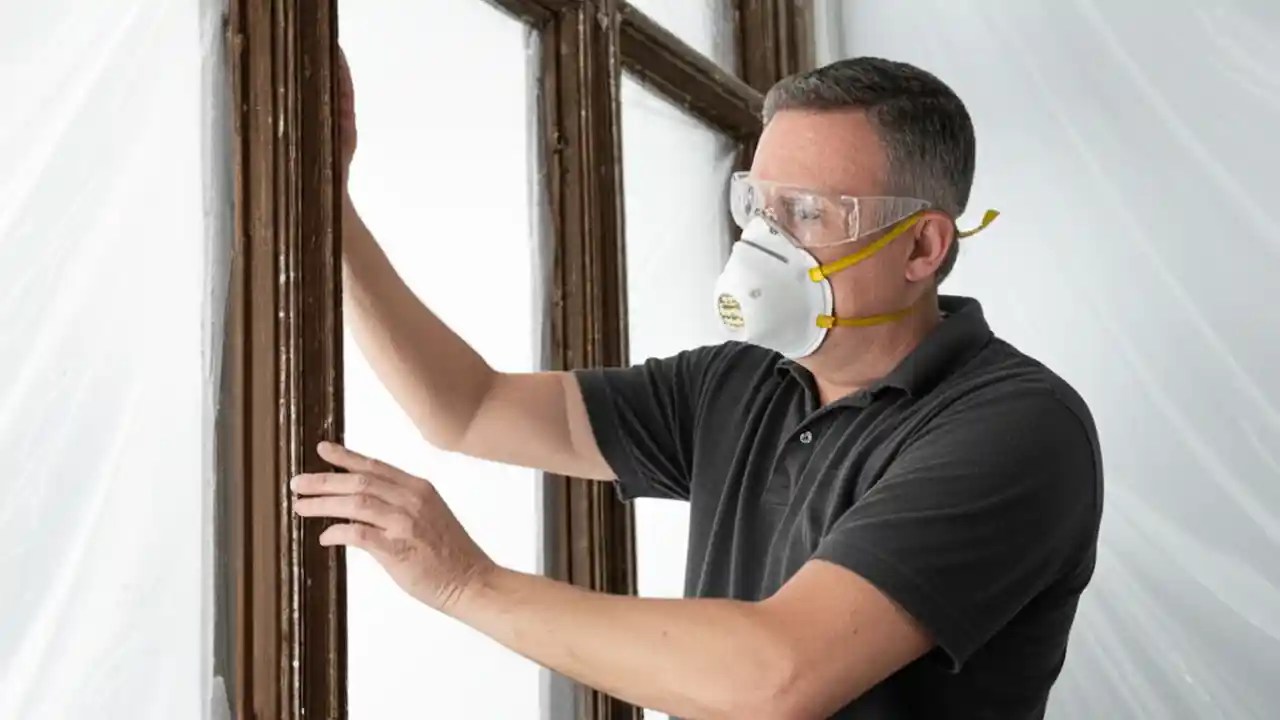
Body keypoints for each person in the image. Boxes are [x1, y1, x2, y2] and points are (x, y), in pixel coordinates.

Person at [292, 50, 1103, 719]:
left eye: (807, 214)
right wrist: (332, 208)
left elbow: (778, 676)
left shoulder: (1016, 430)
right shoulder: (742, 382)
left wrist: (468, 582)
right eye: (756, 203)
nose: (762, 242)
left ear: (923, 249)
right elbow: (467, 408)